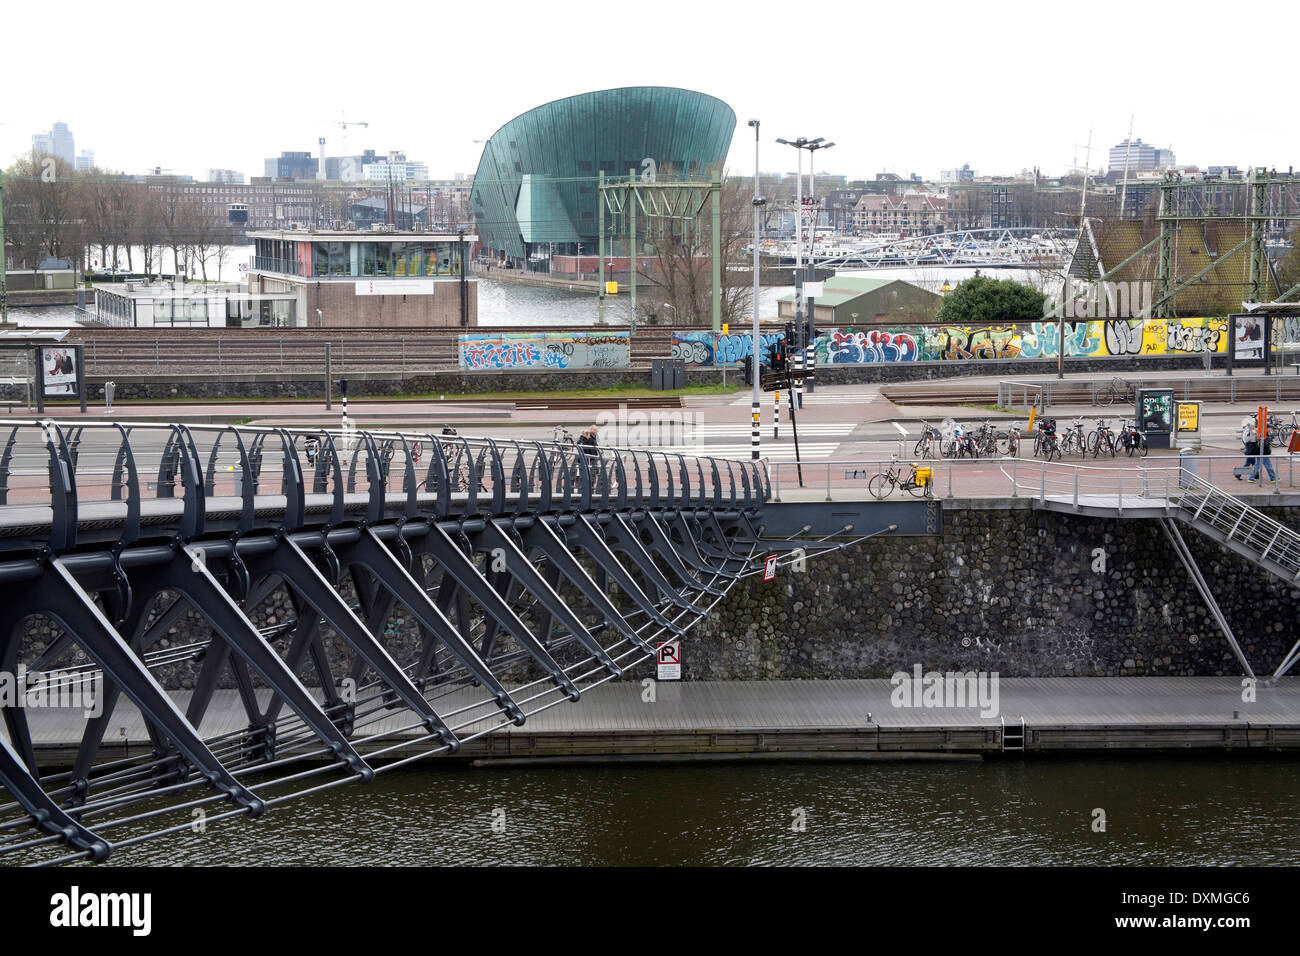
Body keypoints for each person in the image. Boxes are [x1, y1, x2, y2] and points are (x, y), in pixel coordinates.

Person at [1237, 415, 1257, 480]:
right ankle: (1238, 473)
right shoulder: (1251, 429)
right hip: (1250, 450)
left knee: (1253, 463)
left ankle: (1256, 475)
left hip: (1249, 449)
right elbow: (1253, 439)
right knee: (1249, 464)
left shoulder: (1247, 429)